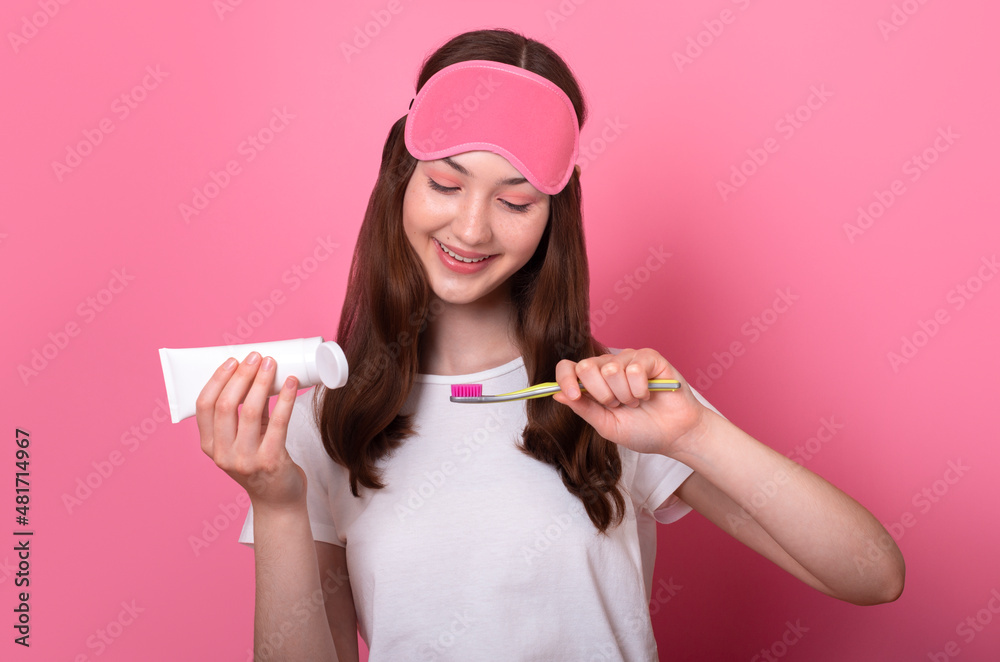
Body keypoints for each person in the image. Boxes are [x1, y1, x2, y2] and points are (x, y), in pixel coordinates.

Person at [195, 28, 904, 662]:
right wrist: (278, 505)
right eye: (446, 184)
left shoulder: (614, 399)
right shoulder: (327, 420)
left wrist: (695, 433)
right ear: (400, 182)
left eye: (515, 201)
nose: (471, 229)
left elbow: (873, 574)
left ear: (552, 218)